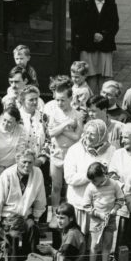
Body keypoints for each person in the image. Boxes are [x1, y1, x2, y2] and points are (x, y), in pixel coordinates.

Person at [9, 203, 85, 261]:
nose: (59, 221)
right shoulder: (70, 230)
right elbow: (52, 225)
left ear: (71, 218)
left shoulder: (72, 234)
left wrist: (51, 250)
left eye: (62, 218)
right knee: (32, 256)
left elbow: (63, 260)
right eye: (57, 217)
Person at [0, 149, 45, 256]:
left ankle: (31, 260)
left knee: (33, 228)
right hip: (8, 216)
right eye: (24, 162)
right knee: (13, 232)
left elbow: (40, 198)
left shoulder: (37, 173)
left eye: (30, 162)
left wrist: (36, 217)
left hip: (25, 215)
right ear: (17, 160)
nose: (27, 165)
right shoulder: (7, 174)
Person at [64, 119, 116, 232]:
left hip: (102, 206)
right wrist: (91, 176)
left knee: (98, 240)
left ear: (102, 135)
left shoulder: (112, 151)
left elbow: (115, 176)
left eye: (92, 134)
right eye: (86, 132)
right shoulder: (74, 150)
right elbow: (69, 178)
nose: (88, 136)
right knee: (79, 238)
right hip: (79, 204)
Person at [46, 83, 83, 226]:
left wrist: (60, 130)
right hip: (56, 154)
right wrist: (66, 124)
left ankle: (69, 216)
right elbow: (51, 133)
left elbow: (77, 137)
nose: (60, 103)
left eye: (63, 100)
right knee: (56, 186)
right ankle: (56, 215)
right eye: (57, 100)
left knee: (69, 187)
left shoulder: (77, 115)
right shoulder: (54, 113)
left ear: (70, 99)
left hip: (71, 156)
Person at [83, 162, 125, 261]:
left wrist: (115, 209)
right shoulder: (90, 187)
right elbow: (86, 205)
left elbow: (120, 199)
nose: (93, 183)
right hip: (97, 220)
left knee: (107, 245)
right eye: (92, 181)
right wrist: (98, 214)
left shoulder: (113, 184)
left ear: (102, 175)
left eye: (95, 180)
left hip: (110, 219)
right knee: (95, 246)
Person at [0, 106, 28, 179]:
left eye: (9, 122)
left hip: (13, 167)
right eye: (4, 120)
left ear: (17, 122)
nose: (5, 124)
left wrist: (17, 172)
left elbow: (20, 152)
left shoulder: (21, 130)